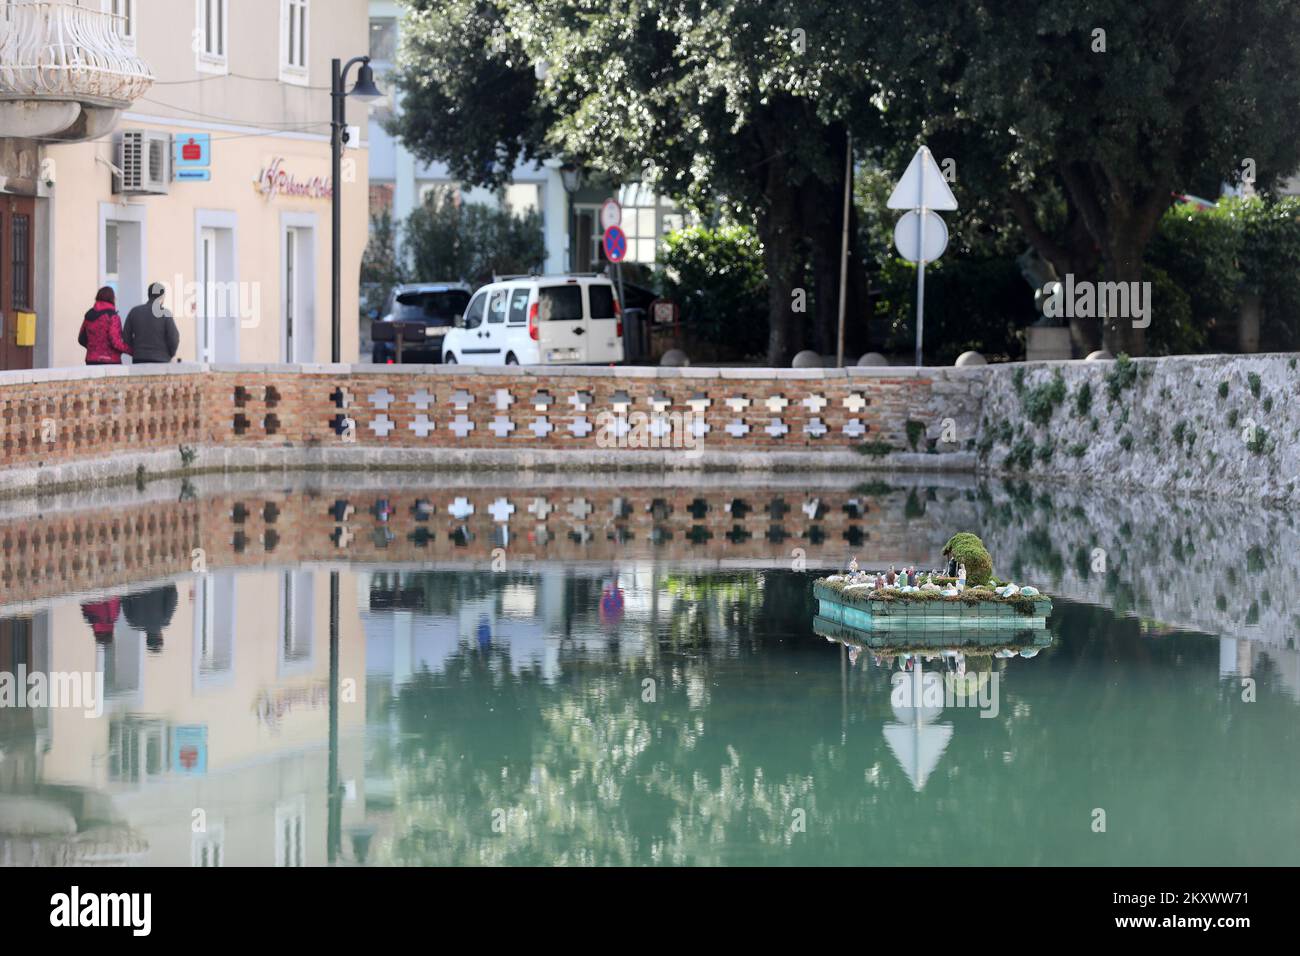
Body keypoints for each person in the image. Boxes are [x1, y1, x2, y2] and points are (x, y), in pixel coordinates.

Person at [123, 282, 180, 364]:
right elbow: (174, 337)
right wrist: (171, 354)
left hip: (139, 359)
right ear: (162, 296)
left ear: (148, 295)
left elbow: (126, 337)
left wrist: (137, 351)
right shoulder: (165, 313)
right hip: (161, 360)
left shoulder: (134, 311)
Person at [79, 286, 132, 365]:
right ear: (112, 298)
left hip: (91, 360)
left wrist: (93, 350)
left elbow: (81, 338)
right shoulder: (113, 316)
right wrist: (132, 351)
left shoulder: (89, 314)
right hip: (110, 362)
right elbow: (116, 342)